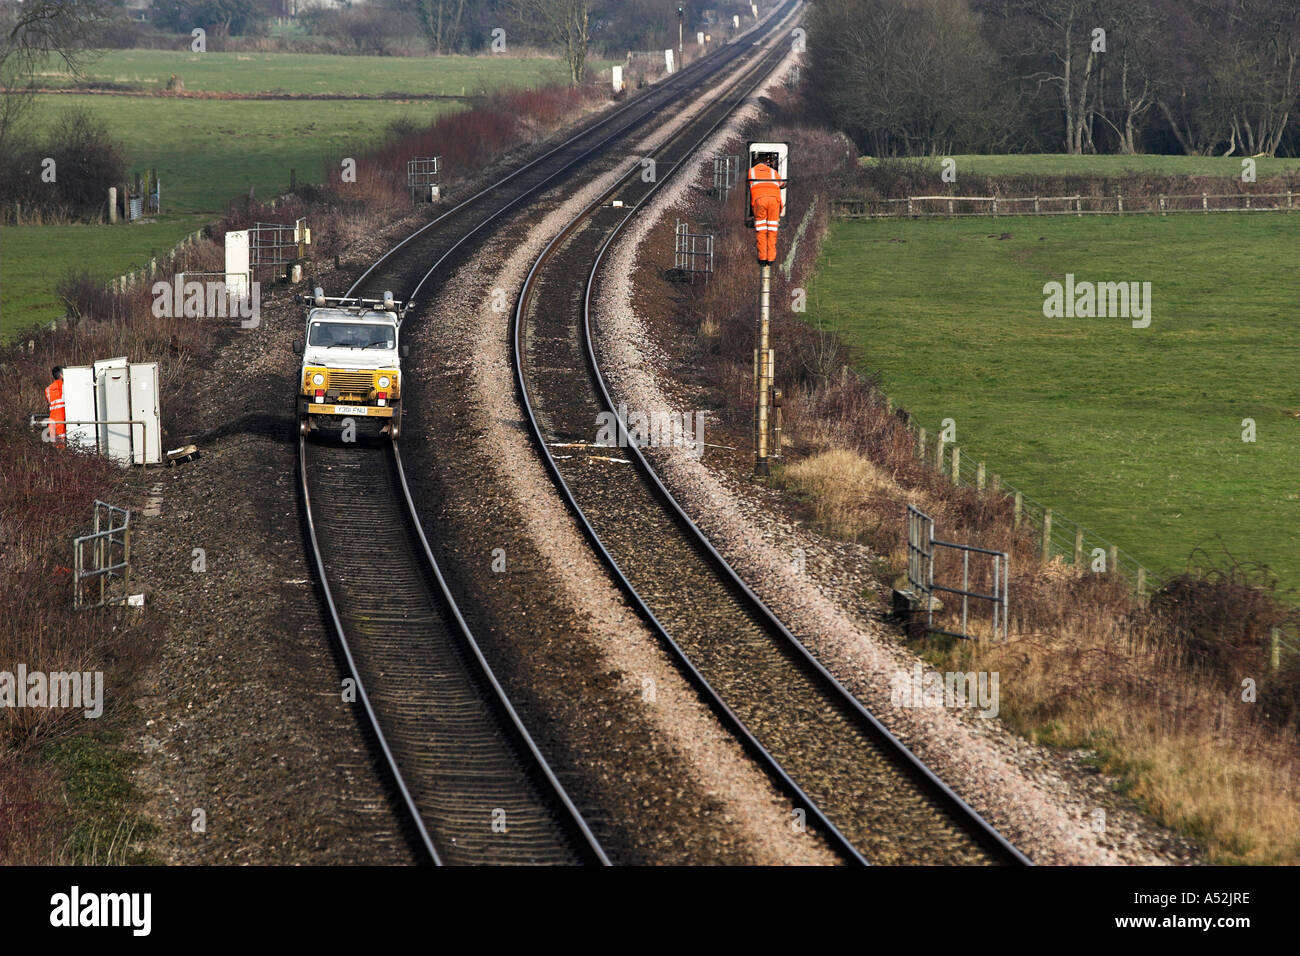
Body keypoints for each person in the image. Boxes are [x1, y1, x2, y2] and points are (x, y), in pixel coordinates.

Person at [748, 152, 784, 265]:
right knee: (772, 230)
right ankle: (771, 258)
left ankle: (762, 258)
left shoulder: (751, 171)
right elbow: (782, 184)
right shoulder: (774, 172)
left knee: (761, 229)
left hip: (760, 201)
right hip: (774, 201)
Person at [45, 366, 66, 445]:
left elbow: (49, 401)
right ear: (61, 375)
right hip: (63, 420)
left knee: (56, 446)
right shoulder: (65, 386)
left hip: (52, 421)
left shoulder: (47, 389)